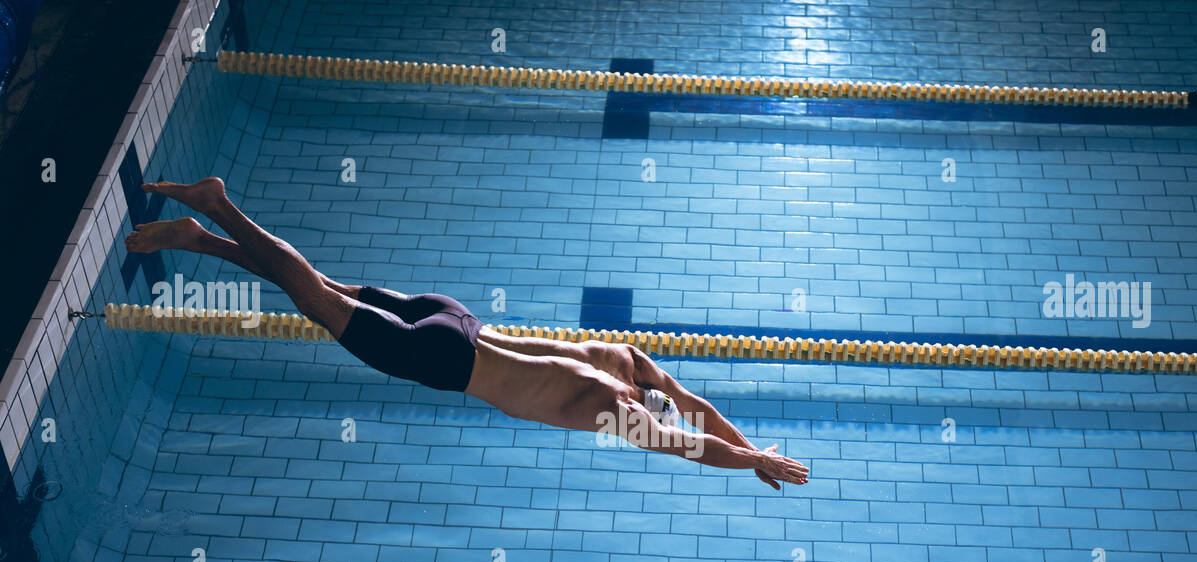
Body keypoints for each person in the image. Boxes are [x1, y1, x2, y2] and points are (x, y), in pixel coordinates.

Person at [125, 178, 810, 488]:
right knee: (313, 298)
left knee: (326, 284)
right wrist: (749, 462)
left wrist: (753, 447)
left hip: (453, 316)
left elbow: (698, 413)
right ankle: (220, 208)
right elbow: (691, 446)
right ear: (640, 414)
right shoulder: (616, 413)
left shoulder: (627, 364)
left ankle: (199, 239)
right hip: (444, 358)